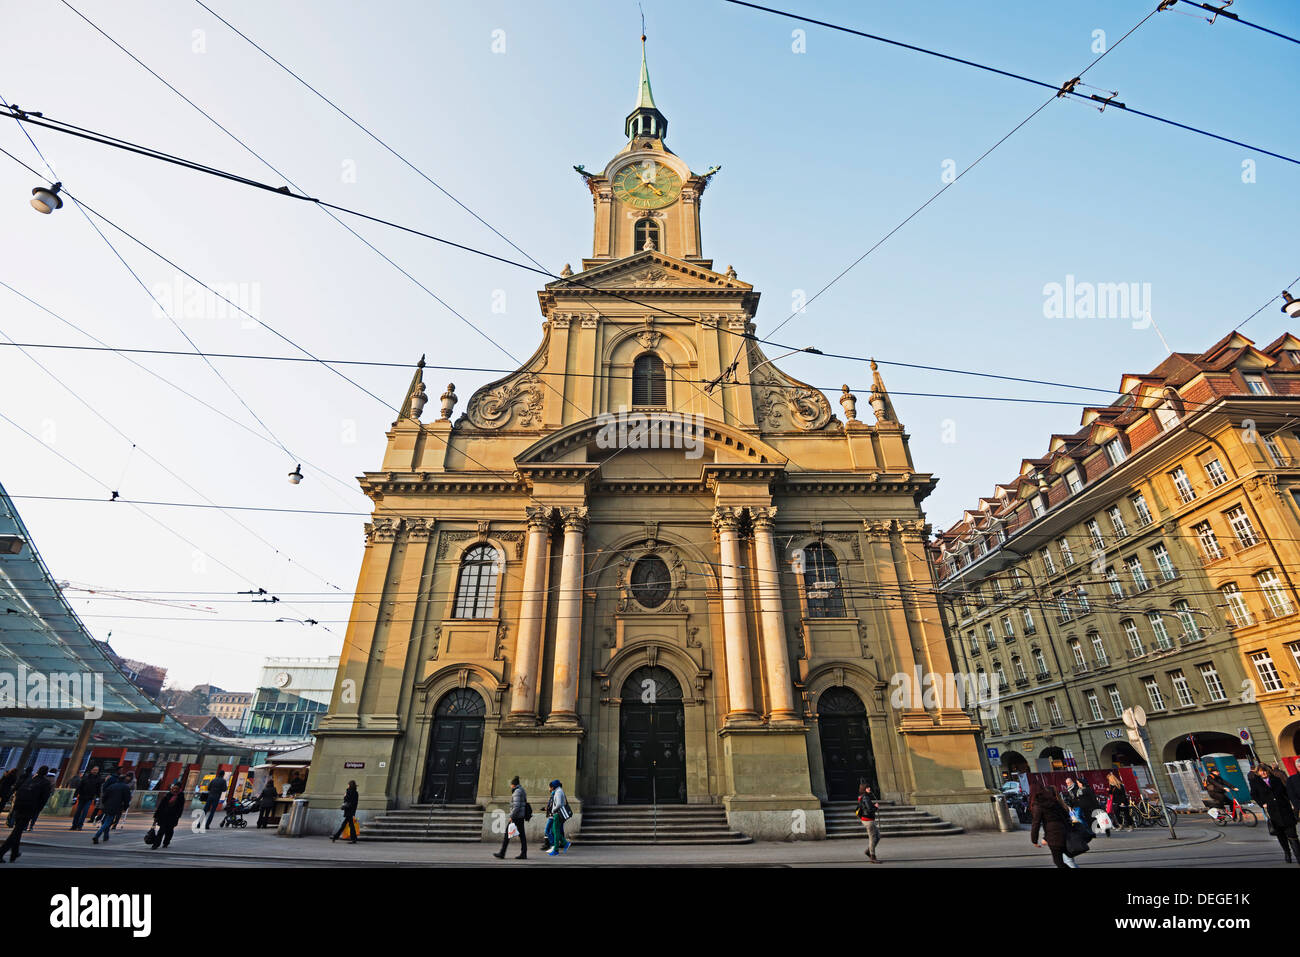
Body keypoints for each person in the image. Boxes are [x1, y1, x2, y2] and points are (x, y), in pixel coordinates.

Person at [1249, 764, 1300, 865]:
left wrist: (1292, 804)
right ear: (1258, 773)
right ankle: (1287, 853)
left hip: (1285, 810)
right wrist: (1261, 803)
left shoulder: (1276, 779)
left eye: (1264, 771)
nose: (1263, 773)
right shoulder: (1255, 783)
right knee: (1281, 836)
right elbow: (1254, 794)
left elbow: (1286, 792)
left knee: (1293, 835)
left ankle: (1298, 856)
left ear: (1268, 771)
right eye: (1260, 771)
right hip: (1272, 812)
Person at [0, 766, 52, 862]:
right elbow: (43, 800)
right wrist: (36, 812)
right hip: (29, 809)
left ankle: (14, 853)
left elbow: (18, 790)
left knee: (17, 830)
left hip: (20, 807)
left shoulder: (30, 780)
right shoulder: (45, 783)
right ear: (46, 773)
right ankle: (1, 852)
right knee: (16, 832)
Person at [1031, 785, 1074, 869]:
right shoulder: (1055, 802)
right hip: (1063, 832)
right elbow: (1065, 816)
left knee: (1059, 861)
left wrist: (1034, 840)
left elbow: (1036, 823)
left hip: (1053, 835)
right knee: (1064, 859)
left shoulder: (1038, 804)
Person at [493, 776, 528, 860]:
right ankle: (523, 853)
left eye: (511, 784)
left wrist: (512, 816)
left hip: (516, 817)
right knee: (522, 835)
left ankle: (502, 853)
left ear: (514, 785)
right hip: (520, 816)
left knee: (507, 835)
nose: (510, 786)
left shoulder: (517, 792)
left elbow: (516, 806)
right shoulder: (521, 790)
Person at [92, 774, 132, 844]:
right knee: (108, 821)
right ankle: (97, 835)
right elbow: (127, 799)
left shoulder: (112, 786)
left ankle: (106, 836)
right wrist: (125, 807)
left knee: (107, 820)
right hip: (116, 806)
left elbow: (105, 796)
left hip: (107, 805)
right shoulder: (125, 787)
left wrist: (104, 803)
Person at [151, 782, 186, 850]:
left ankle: (166, 843)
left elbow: (180, 809)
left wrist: (177, 817)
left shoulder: (181, 797)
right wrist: (156, 815)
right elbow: (161, 806)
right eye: (173, 788)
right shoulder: (168, 795)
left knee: (169, 831)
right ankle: (156, 844)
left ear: (179, 789)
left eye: (176, 788)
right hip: (164, 816)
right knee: (161, 831)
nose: (174, 790)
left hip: (173, 817)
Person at [71, 766, 102, 831]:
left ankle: (80, 825)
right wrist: (75, 796)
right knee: (78, 812)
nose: (95, 771)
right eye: (94, 770)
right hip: (82, 796)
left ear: (98, 771)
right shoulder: (85, 778)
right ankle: (74, 825)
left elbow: (98, 790)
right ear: (91, 770)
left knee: (84, 812)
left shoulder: (98, 780)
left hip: (90, 798)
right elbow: (79, 787)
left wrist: (97, 798)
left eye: (96, 770)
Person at [856, 781, 881, 863]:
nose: (869, 788)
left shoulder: (864, 797)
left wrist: (873, 806)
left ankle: (869, 851)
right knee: (873, 838)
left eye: (869, 787)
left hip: (868, 819)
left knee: (878, 836)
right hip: (868, 820)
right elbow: (870, 809)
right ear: (864, 789)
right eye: (867, 787)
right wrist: (876, 807)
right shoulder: (865, 797)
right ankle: (872, 857)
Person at [547, 779, 571, 856]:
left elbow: (559, 804)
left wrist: (553, 810)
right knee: (554, 831)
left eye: (552, 786)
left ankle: (556, 850)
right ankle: (565, 843)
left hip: (557, 814)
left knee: (555, 831)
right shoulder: (559, 791)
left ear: (554, 786)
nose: (551, 788)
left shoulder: (558, 792)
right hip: (558, 814)